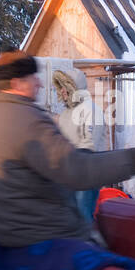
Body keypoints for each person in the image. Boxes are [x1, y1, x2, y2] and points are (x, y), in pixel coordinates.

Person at [0, 51, 135, 246]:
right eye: (33, 77)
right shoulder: (27, 119)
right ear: (17, 83)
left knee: (86, 217)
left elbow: (85, 147)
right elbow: (75, 166)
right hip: (48, 232)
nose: (39, 83)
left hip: (26, 221)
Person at [51, 69, 100, 223]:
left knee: (82, 217)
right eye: (60, 87)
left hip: (86, 175)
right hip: (68, 175)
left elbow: (89, 145)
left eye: (65, 86)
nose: (62, 91)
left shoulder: (90, 110)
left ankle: (85, 245)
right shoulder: (66, 112)